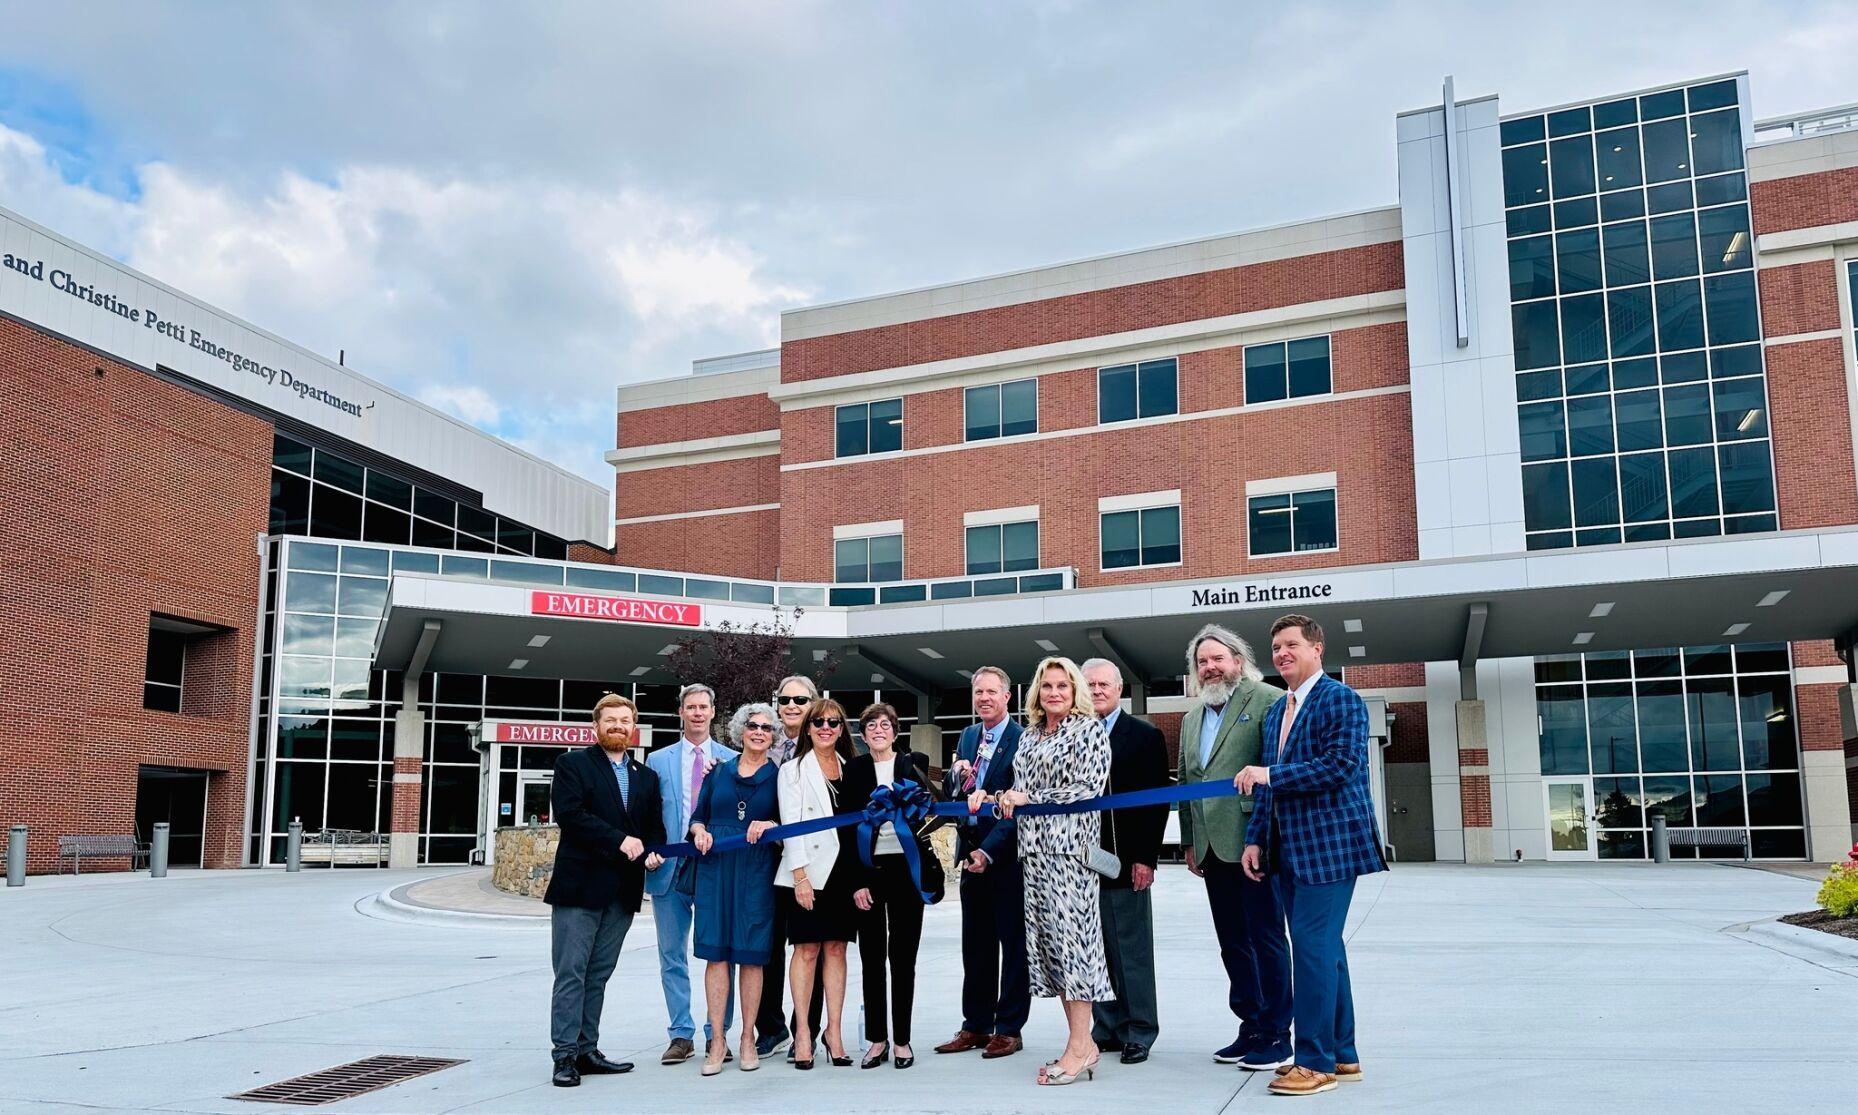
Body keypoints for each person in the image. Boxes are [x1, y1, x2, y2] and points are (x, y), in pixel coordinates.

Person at [1237, 614, 1388, 1097]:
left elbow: (1340, 766)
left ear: (1317, 648)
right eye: (1276, 647)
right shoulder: (1281, 708)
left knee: (1311, 949)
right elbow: (1268, 785)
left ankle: (1315, 1061)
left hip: (1330, 849)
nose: (1282, 654)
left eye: (1291, 645)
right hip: (1286, 851)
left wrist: (1269, 776)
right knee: (1326, 951)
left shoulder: (1340, 699)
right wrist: (1255, 838)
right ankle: (1343, 1056)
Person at [989, 655, 1113, 1086]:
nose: (1055, 692)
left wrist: (1030, 798)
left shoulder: (1089, 729)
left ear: (1075, 689)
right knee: (1054, 954)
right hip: (1035, 855)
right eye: (1047, 686)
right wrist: (1010, 795)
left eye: (1063, 685)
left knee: (1076, 950)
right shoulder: (1029, 736)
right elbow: (1022, 786)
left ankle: (1080, 1047)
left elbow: (1087, 787)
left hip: (1070, 856)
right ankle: (1083, 1042)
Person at [1177, 623, 1292, 1070]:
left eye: (1217, 659)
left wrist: (1261, 837)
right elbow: (1188, 781)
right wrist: (1189, 841)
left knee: (1266, 938)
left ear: (1238, 663)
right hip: (1210, 848)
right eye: (1202, 662)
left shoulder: (1267, 700)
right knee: (1232, 943)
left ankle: (1278, 1033)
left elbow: (1273, 773)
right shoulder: (1191, 718)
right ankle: (1251, 1025)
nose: (1209, 668)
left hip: (1252, 845)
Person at [542, 693, 664, 1088]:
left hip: (622, 891)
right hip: (580, 887)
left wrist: (654, 851)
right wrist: (619, 841)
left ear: (634, 728)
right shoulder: (572, 764)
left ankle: (586, 1049)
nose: (618, 726)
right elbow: (571, 815)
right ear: (596, 726)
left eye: (624, 720)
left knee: (598, 974)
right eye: (610, 720)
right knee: (571, 973)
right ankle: (563, 1056)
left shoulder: (646, 777)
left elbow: (652, 829)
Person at [842, 702, 946, 1071]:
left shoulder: (912, 763)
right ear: (864, 734)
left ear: (895, 731)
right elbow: (845, 829)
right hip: (869, 870)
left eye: (885, 725)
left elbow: (934, 808)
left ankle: (901, 1039)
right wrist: (856, 882)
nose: (878, 731)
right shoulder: (853, 770)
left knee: (903, 957)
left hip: (907, 869)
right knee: (871, 958)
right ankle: (876, 1040)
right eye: (871, 726)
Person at [934, 665, 1030, 1060]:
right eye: (978, 693)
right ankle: (975, 1025)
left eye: (992, 692)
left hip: (1005, 858)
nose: (984, 699)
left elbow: (1020, 805)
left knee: (1013, 946)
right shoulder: (969, 735)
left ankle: (1008, 1028)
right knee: (975, 947)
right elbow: (958, 795)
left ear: (1008, 696)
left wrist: (988, 851)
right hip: (970, 855)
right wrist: (955, 776)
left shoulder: (1023, 739)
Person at [643, 683, 739, 1065]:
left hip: (714, 868)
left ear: (714, 713)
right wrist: (649, 849)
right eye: (691, 707)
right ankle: (680, 1034)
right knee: (672, 955)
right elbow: (647, 813)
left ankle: (719, 1033)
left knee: (721, 953)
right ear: (680, 712)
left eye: (704, 707)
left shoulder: (732, 759)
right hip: (669, 869)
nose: (697, 713)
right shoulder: (657, 760)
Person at [1080, 658, 1169, 1064]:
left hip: (1123, 860)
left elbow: (1156, 804)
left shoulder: (1144, 736)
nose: (1097, 690)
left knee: (1129, 948)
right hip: (1078, 863)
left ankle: (1139, 1030)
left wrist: (1145, 859)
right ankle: (1107, 1027)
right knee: (1095, 949)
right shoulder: (1073, 735)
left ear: (1119, 689)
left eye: (1103, 684)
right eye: (1090, 685)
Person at [687, 703, 784, 1076]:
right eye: (752, 726)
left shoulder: (779, 776)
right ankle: (716, 1041)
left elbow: (790, 819)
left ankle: (747, 1038)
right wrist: (698, 831)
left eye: (766, 728)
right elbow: (699, 816)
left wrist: (771, 822)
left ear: (772, 736)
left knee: (752, 956)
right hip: (716, 868)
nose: (759, 732)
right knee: (717, 955)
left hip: (756, 871)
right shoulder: (719, 772)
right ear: (740, 731)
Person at [775, 697, 859, 1070]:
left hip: (843, 872)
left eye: (834, 722)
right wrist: (800, 876)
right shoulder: (792, 770)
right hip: (808, 871)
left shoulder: (851, 768)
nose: (826, 727)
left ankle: (835, 1032)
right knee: (806, 950)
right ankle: (805, 1033)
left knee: (837, 950)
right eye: (819, 721)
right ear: (808, 728)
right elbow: (792, 826)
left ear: (842, 729)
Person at [755, 674, 826, 1061]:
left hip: (812, 865)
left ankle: (807, 1028)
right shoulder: (763, 745)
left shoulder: (825, 746)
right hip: (767, 865)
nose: (793, 706)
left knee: (808, 948)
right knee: (767, 949)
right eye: (785, 699)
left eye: (801, 700)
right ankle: (771, 1027)